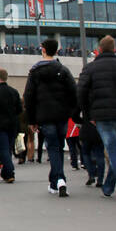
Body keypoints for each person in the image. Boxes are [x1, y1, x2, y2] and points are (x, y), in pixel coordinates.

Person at [76, 35, 116, 202]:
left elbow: (81, 92)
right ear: (114, 49)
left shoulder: (91, 68)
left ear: (100, 49)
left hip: (102, 116)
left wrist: (88, 114)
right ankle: (108, 187)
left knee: (113, 153)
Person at [23, 39, 77, 197]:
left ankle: (59, 179)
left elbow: (29, 97)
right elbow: (73, 92)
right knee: (58, 146)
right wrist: (71, 111)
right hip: (61, 115)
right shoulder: (63, 70)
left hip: (44, 116)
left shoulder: (35, 72)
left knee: (53, 147)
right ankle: (56, 181)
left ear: (43, 50)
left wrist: (32, 120)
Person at [0, 68, 22, 184]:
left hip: (0, 125)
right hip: (12, 125)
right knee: (9, 148)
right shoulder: (14, 92)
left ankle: (10, 172)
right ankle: (5, 173)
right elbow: (19, 109)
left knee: (4, 149)